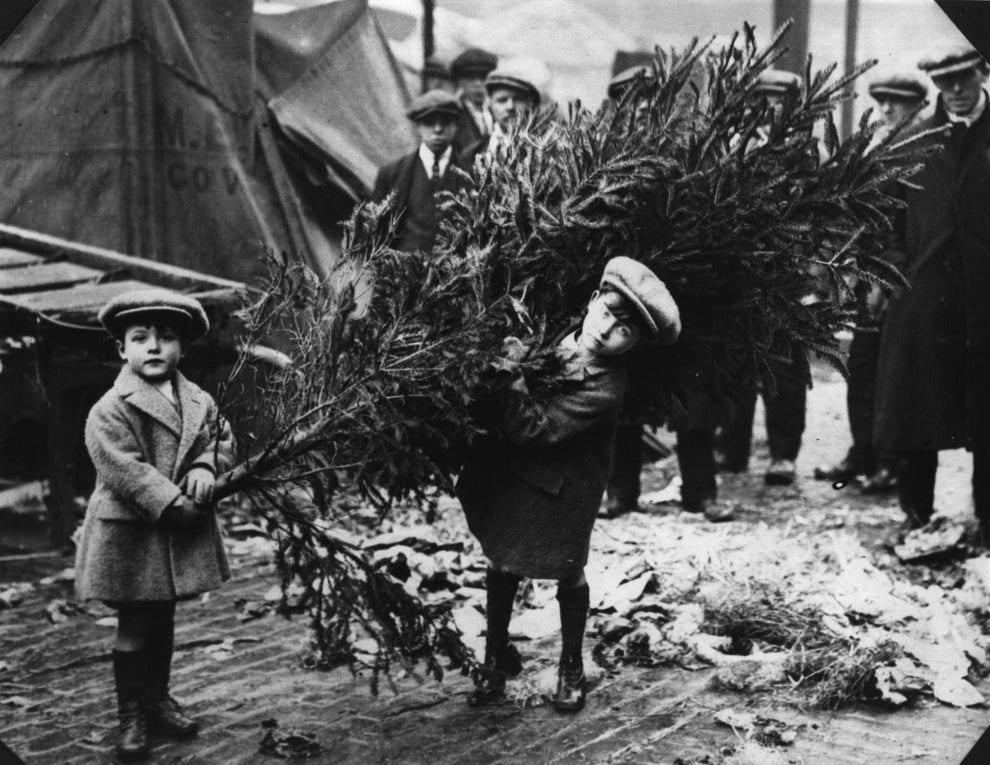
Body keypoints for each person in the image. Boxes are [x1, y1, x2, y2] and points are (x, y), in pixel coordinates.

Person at [457, 257, 680, 711]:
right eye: (606, 313)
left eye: (624, 331)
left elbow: (534, 428)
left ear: (634, 345)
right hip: (516, 473)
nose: (606, 330)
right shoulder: (555, 331)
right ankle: (495, 656)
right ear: (593, 300)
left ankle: (570, 664)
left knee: (566, 567)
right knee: (503, 560)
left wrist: (510, 369)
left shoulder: (606, 387)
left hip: (564, 486)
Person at [74, 288, 234, 760]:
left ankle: (158, 697)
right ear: (121, 349)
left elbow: (221, 438)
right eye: (140, 337)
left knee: (163, 617)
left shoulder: (198, 399)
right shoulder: (111, 407)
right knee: (134, 623)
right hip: (133, 531)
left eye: (166, 337)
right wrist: (170, 501)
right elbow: (122, 467)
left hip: (174, 531)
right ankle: (132, 712)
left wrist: (207, 466)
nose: (154, 346)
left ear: (183, 348)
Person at [874, 43, 990, 538]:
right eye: (945, 82)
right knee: (917, 413)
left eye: (964, 77)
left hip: (986, 302)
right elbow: (883, 218)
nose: (956, 91)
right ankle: (915, 514)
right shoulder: (914, 139)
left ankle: (988, 523)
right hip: (925, 299)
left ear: (983, 69)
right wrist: (898, 272)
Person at [814, 70, 927, 492]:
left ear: (916, 108)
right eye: (880, 103)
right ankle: (862, 454)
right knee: (862, 370)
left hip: (904, 282)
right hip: (872, 278)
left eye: (893, 104)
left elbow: (907, 226)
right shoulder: (881, 151)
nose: (883, 111)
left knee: (895, 378)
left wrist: (886, 279)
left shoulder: (922, 152)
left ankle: (890, 462)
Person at [717, 69, 813, 486]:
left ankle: (783, 454)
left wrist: (811, 272)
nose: (768, 110)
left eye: (777, 101)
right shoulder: (738, 150)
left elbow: (822, 217)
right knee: (737, 362)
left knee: (786, 366)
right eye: (762, 101)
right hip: (744, 269)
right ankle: (733, 448)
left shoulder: (808, 153)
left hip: (789, 271)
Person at [371, 90, 471, 253]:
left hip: (456, 271)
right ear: (418, 126)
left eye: (445, 121)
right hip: (403, 270)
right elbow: (375, 231)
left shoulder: (472, 173)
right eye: (430, 122)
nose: (438, 129)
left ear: (455, 126)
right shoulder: (392, 173)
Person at [460, 63, 541, 167]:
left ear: (531, 105)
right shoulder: (472, 154)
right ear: (489, 104)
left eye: (518, 99)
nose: (510, 107)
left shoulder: (545, 152)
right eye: (502, 100)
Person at [450, 47, 498, 153]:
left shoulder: (499, 111)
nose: (478, 84)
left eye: (484, 77)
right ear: (459, 82)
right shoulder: (452, 117)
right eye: (470, 78)